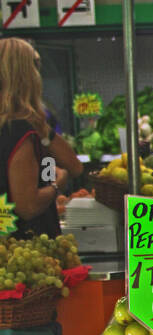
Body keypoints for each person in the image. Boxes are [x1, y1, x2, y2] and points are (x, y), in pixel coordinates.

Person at [0, 37, 81, 238]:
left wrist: (41, 127)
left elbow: (72, 166)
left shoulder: (32, 126)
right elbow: (27, 205)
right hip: (25, 245)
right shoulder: (18, 131)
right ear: (27, 76)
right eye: (36, 66)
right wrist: (56, 186)